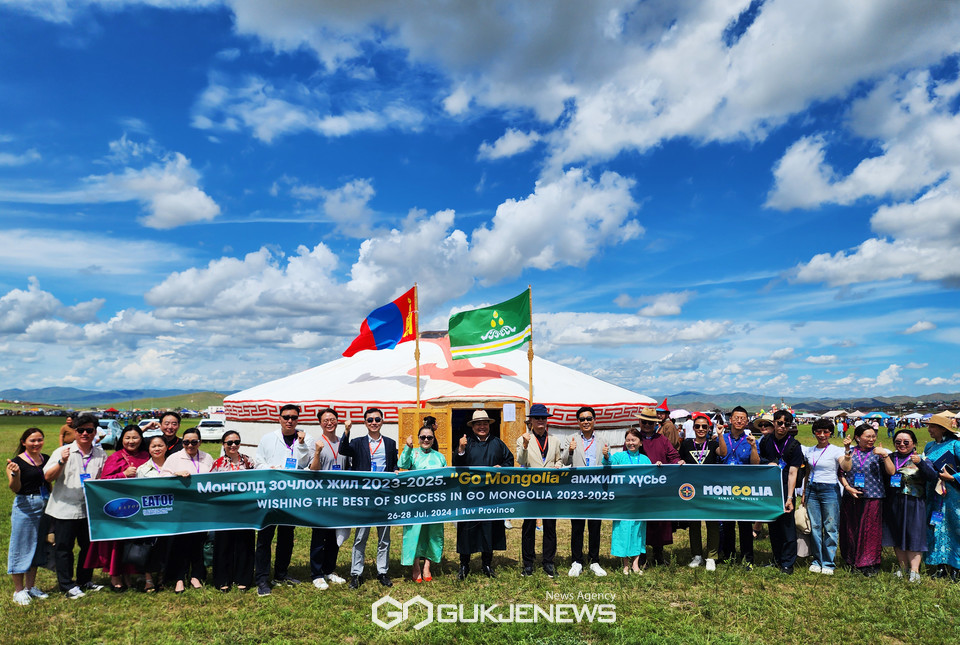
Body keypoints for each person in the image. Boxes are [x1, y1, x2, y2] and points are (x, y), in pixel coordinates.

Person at [253, 404, 315, 596]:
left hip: (292, 497)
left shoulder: (307, 438)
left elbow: (308, 464)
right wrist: (273, 469)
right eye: (286, 417)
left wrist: (302, 444)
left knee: (287, 537)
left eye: (294, 417)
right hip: (270, 496)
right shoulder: (268, 439)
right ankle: (262, 579)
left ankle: (281, 573)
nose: (290, 420)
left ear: (298, 420)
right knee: (265, 538)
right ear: (279, 418)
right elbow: (258, 463)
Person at [43, 413, 106, 598]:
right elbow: (48, 477)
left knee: (88, 547)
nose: (85, 433)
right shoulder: (62, 451)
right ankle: (66, 584)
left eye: (89, 430)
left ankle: (85, 580)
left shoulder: (100, 453)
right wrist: (62, 461)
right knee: (64, 548)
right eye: (81, 430)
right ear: (75, 431)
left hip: (89, 510)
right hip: (65, 509)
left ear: (95, 432)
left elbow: (105, 479)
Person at [84, 425, 148, 591]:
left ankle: (132, 573)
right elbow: (105, 480)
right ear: (122, 440)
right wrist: (123, 475)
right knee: (118, 542)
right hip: (119, 507)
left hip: (141, 507)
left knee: (136, 541)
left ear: (141, 439)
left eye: (135, 438)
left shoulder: (146, 456)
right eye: (127, 438)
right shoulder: (115, 457)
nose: (131, 441)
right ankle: (116, 576)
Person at [339, 407, 398, 589]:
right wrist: (347, 431)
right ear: (365, 422)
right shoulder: (357, 443)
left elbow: (393, 464)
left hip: (383, 496)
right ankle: (356, 574)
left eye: (377, 419)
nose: (374, 423)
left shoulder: (389, 443)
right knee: (360, 537)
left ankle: (382, 572)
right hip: (364, 497)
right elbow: (343, 449)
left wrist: (395, 470)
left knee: (384, 537)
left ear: (382, 421)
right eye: (370, 420)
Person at [453, 409, 514, 579]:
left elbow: (509, 461)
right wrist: (461, 449)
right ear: (472, 427)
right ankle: (464, 565)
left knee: (489, 529)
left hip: (490, 496)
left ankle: (487, 564)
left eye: (485, 423)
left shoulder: (497, 443)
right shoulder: (466, 443)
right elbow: (456, 464)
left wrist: (502, 468)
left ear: (489, 425)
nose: (482, 426)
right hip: (470, 496)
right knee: (466, 530)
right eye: (478, 424)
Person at [838, 423, 895, 576]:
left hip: (873, 496)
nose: (871, 439)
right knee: (851, 529)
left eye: (873, 436)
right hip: (852, 496)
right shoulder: (850, 452)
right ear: (857, 437)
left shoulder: (879, 452)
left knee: (870, 531)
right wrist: (848, 488)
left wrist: (884, 455)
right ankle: (852, 560)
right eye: (867, 436)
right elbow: (842, 472)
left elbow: (891, 472)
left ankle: (869, 563)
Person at [883, 429, 939, 582]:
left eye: (906, 442)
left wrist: (920, 464)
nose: (902, 444)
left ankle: (914, 571)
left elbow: (932, 477)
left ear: (913, 443)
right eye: (898, 442)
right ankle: (902, 567)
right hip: (894, 501)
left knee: (914, 534)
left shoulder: (921, 458)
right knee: (897, 534)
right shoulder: (890, 457)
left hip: (915, 502)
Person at [164, 427, 214, 593]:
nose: (190, 445)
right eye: (186, 442)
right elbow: (162, 479)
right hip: (181, 508)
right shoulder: (174, 458)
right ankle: (179, 577)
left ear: (199, 442)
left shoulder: (207, 458)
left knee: (198, 542)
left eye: (194, 442)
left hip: (201, 508)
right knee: (181, 543)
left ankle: (196, 575)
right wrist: (175, 475)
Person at [516, 403, 563, 577]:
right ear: (531, 421)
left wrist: (558, 466)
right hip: (531, 488)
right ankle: (528, 563)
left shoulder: (555, 440)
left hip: (550, 488)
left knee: (550, 526)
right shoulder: (523, 439)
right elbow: (521, 460)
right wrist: (526, 445)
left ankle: (548, 562)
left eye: (543, 418)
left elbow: (559, 460)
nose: (541, 421)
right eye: (537, 418)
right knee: (528, 526)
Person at [563, 405, 609, 577]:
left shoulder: (603, 439)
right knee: (577, 526)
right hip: (577, 488)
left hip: (596, 489)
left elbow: (608, 466)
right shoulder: (571, 439)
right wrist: (570, 450)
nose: (586, 422)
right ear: (578, 422)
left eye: (589, 418)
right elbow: (564, 461)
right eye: (582, 419)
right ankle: (576, 561)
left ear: (594, 420)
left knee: (595, 526)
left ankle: (594, 561)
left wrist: (606, 457)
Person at [7, 428, 51, 606]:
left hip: (45, 502)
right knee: (21, 545)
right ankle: (18, 591)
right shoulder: (16, 462)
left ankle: (30, 587)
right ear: (24, 442)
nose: (36, 443)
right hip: (26, 505)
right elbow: (15, 488)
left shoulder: (46, 459)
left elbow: (48, 482)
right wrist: (15, 474)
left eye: (39, 440)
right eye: (32, 440)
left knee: (37, 546)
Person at [307, 407, 350, 589]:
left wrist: (348, 432)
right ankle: (316, 574)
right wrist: (317, 452)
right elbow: (313, 469)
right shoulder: (315, 443)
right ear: (320, 423)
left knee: (334, 536)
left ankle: (329, 569)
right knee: (319, 536)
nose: (329, 423)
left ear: (337, 421)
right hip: (321, 497)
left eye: (332, 420)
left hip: (339, 496)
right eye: (325, 420)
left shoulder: (343, 442)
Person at [679, 413, 727, 571]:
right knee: (694, 523)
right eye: (698, 426)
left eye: (704, 427)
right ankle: (697, 555)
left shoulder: (712, 445)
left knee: (712, 523)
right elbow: (679, 459)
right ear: (693, 428)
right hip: (691, 490)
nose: (701, 429)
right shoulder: (686, 444)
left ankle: (711, 556)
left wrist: (720, 435)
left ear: (708, 428)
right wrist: (681, 461)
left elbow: (723, 453)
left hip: (710, 488)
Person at [399, 424, 447, 582]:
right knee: (414, 533)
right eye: (423, 437)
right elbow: (402, 465)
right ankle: (415, 566)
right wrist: (407, 448)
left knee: (433, 533)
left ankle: (427, 565)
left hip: (434, 502)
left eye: (429, 437)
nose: (426, 440)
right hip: (415, 502)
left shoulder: (440, 457)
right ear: (419, 439)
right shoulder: (413, 453)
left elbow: (446, 478)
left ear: (433, 440)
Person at [758, 410, 804, 574]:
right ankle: (776, 558)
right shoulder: (765, 441)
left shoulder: (794, 446)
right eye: (779, 422)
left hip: (786, 488)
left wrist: (790, 498)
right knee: (773, 526)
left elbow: (793, 473)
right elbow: (759, 461)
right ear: (774, 423)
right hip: (770, 489)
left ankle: (787, 563)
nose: (782, 426)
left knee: (787, 527)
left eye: (786, 424)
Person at [802, 418, 849, 575]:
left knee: (830, 527)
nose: (822, 435)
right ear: (814, 432)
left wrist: (847, 451)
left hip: (830, 490)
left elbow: (845, 466)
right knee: (815, 527)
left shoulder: (836, 450)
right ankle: (816, 560)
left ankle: (828, 562)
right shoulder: (809, 450)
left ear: (831, 433)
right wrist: (803, 493)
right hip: (811, 490)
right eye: (818, 432)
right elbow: (807, 472)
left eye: (826, 432)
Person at [211, 430, 256, 592]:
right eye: (229, 443)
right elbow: (209, 486)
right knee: (224, 544)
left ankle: (243, 578)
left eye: (236, 442)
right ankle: (223, 579)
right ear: (223, 444)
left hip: (245, 509)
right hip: (224, 510)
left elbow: (258, 481)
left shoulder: (248, 461)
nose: (233, 445)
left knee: (245, 543)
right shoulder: (217, 464)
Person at [603, 427, 651, 574]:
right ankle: (625, 563)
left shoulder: (645, 459)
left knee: (637, 531)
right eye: (628, 440)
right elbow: (608, 464)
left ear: (640, 443)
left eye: (634, 440)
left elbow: (652, 476)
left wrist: (658, 467)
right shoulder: (619, 456)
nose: (631, 443)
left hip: (639, 502)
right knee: (622, 531)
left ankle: (635, 563)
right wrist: (606, 456)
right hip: (622, 502)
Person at [636, 406, 680, 565]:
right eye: (644, 422)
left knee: (659, 521)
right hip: (640, 487)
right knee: (641, 521)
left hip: (659, 487)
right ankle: (640, 556)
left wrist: (677, 462)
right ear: (640, 422)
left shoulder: (662, 440)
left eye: (650, 422)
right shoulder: (634, 438)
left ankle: (658, 555)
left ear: (655, 424)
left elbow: (673, 455)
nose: (647, 425)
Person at [719, 406, 760, 568]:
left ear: (747, 421)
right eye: (736, 418)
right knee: (727, 524)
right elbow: (719, 457)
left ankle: (748, 558)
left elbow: (756, 464)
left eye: (742, 418)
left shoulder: (750, 440)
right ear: (730, 420)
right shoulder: (723, 439)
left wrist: (754, 447)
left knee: (744, 524)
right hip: (725, 488)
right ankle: (729, 556)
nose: (739, 421)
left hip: (744, 488)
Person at [922, 412, 960, 580]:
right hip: (933, 494)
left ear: (942, 429)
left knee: (954, 529)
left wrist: (952, 477)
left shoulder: (955, 445)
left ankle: (955, 567)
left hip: (953, 495)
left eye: (932, 426)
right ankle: (940, 567)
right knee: (935, 528)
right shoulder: (929, 447)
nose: (929, 429)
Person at [136, 435, 173, 592]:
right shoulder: (142, 470)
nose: (157, 449)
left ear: (166, 447)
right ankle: (149, 579)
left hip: (170, 515)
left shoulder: (174, 466)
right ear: (148, 449)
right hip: (150, 514)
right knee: (149, 547)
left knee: (168, 546)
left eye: (160, 445)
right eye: (153, 446)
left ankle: (163, 577)